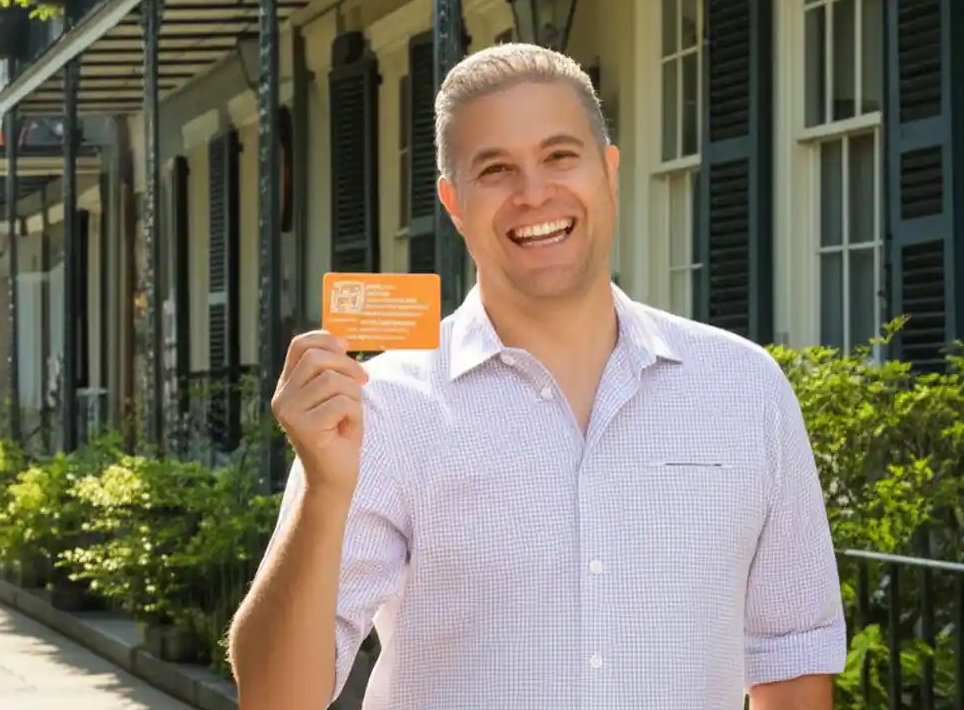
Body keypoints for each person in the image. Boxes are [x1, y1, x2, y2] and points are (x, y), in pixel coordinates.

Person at [226, 42, 846, 710]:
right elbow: (273, 699)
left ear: (608, 171)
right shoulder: (382, 409)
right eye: (495, 169)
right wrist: (323, 487)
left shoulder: (744, 390)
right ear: (454, 203)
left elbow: (793, 655)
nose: (533, 193)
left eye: (559, 156)